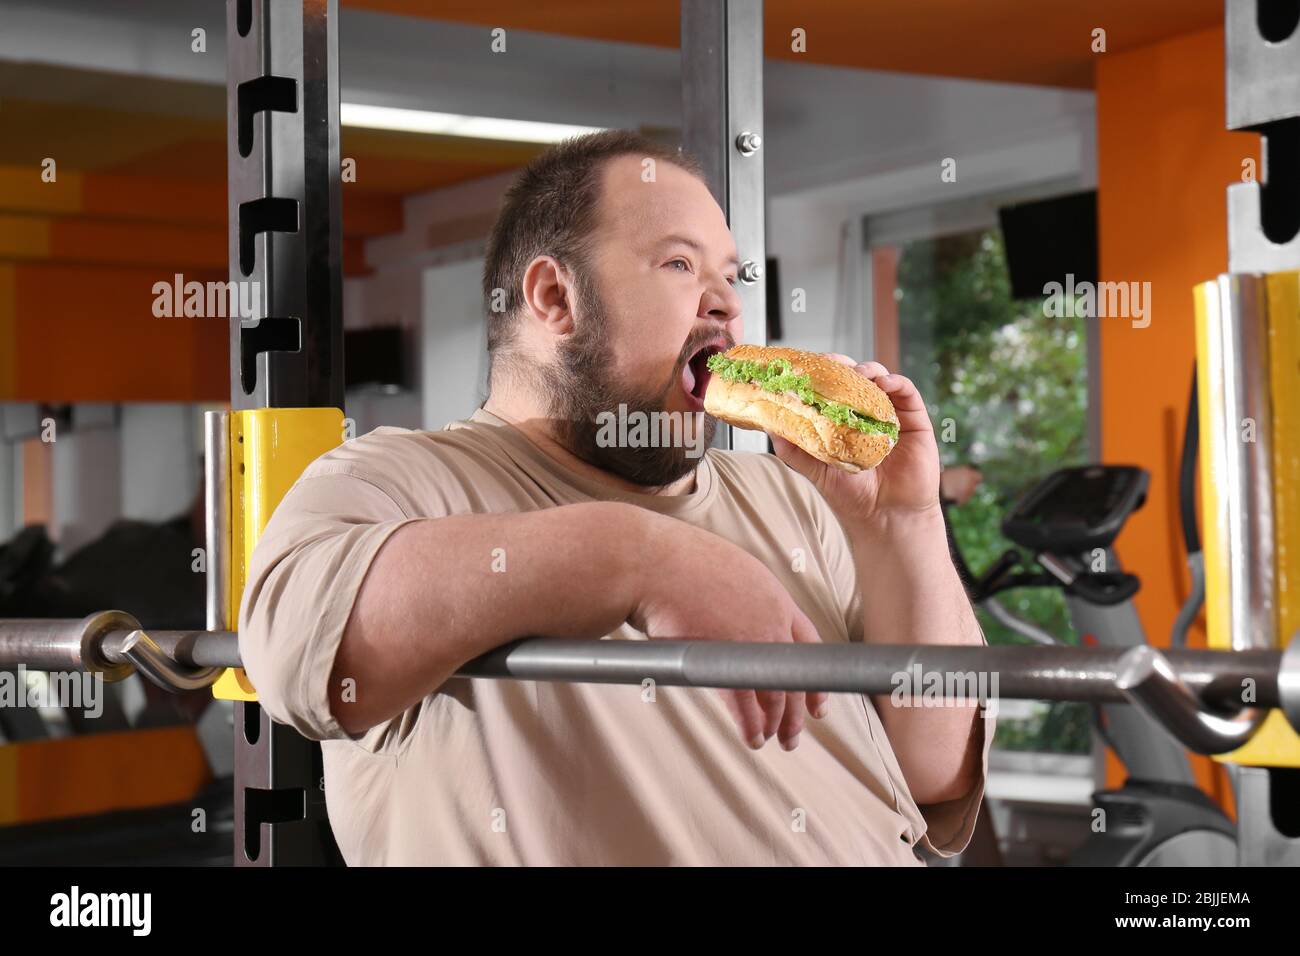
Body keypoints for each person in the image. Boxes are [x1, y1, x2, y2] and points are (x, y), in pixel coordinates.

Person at [238, 129, 993, 865]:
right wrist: (638, 557)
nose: (726, 303)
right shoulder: (400, 480)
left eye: (731, 275)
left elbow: (933, 776)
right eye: (678, 264)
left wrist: (905, 523)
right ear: (554, 297)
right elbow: (292, 652)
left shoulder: (795, 497)